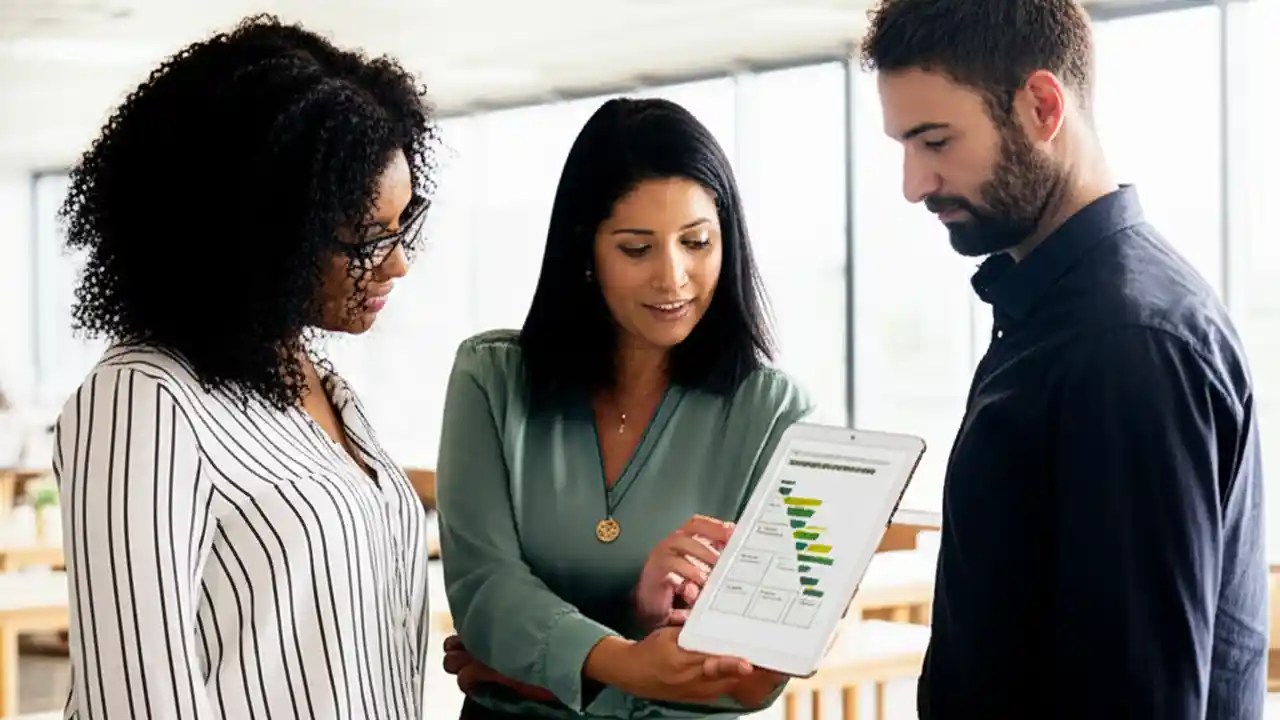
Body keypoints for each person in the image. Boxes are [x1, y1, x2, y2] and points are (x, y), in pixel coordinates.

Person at [859, 0, 1268, 716]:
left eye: (935, 141)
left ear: (1042, 107)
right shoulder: (1057, 317)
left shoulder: (1124, 345)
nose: (913, 183)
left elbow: (1135, 695)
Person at [52, 15, 441, 719]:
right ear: (261, 230)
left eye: (402, 224)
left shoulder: (327, 390)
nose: (397, 262)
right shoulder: (143, 398)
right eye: (362, 238)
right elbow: (134, 701)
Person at [435, 97, 813, 719]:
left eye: (697, 242)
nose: (674, 278)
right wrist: (631, 659)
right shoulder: (491, 379)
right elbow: (485, 590)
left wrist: (538, 676)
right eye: (637, 249)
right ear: (585, 251)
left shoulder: (776, 413)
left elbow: (749, 682)